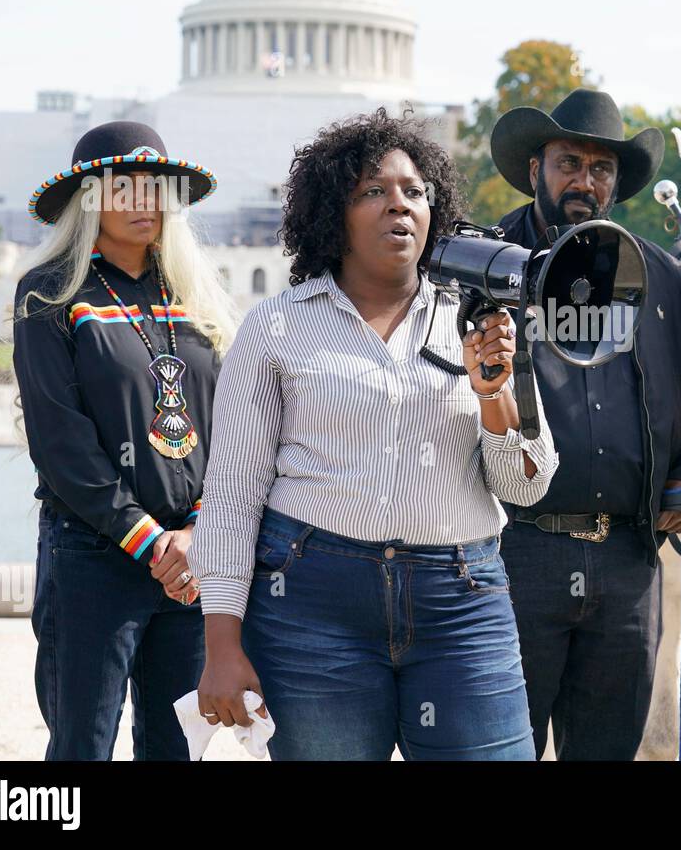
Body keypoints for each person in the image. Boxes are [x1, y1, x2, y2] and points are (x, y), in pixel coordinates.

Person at [191, 108, 558, 760]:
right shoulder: (275, 329)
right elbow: (232, 495)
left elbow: (524, 487)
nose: (400, 206)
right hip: (310, 607)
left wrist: (494, 389)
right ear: (334, 213)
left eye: (415, 193)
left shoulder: (480, 324)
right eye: (374, 192)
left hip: (461, 607)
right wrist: (222, 645)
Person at [488, 89, 681, 759]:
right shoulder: (480, 263)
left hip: (628, 559)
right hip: (512, 553)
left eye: (600, 169)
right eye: (569, 163)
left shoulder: (664, 279)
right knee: (499, 750)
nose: (583, 182)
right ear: (536, 167)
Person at [14, 120, 237, 760]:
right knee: (81, 745)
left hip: (189, 563)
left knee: (176, 748)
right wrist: (148, 540)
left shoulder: (190, 296)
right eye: (126, 187)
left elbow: (227, 426)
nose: (147, 202)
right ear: (89, 201)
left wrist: (197, 534)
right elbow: (60, 443)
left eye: (157, 188)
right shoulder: (52, 293)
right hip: (94, 556)